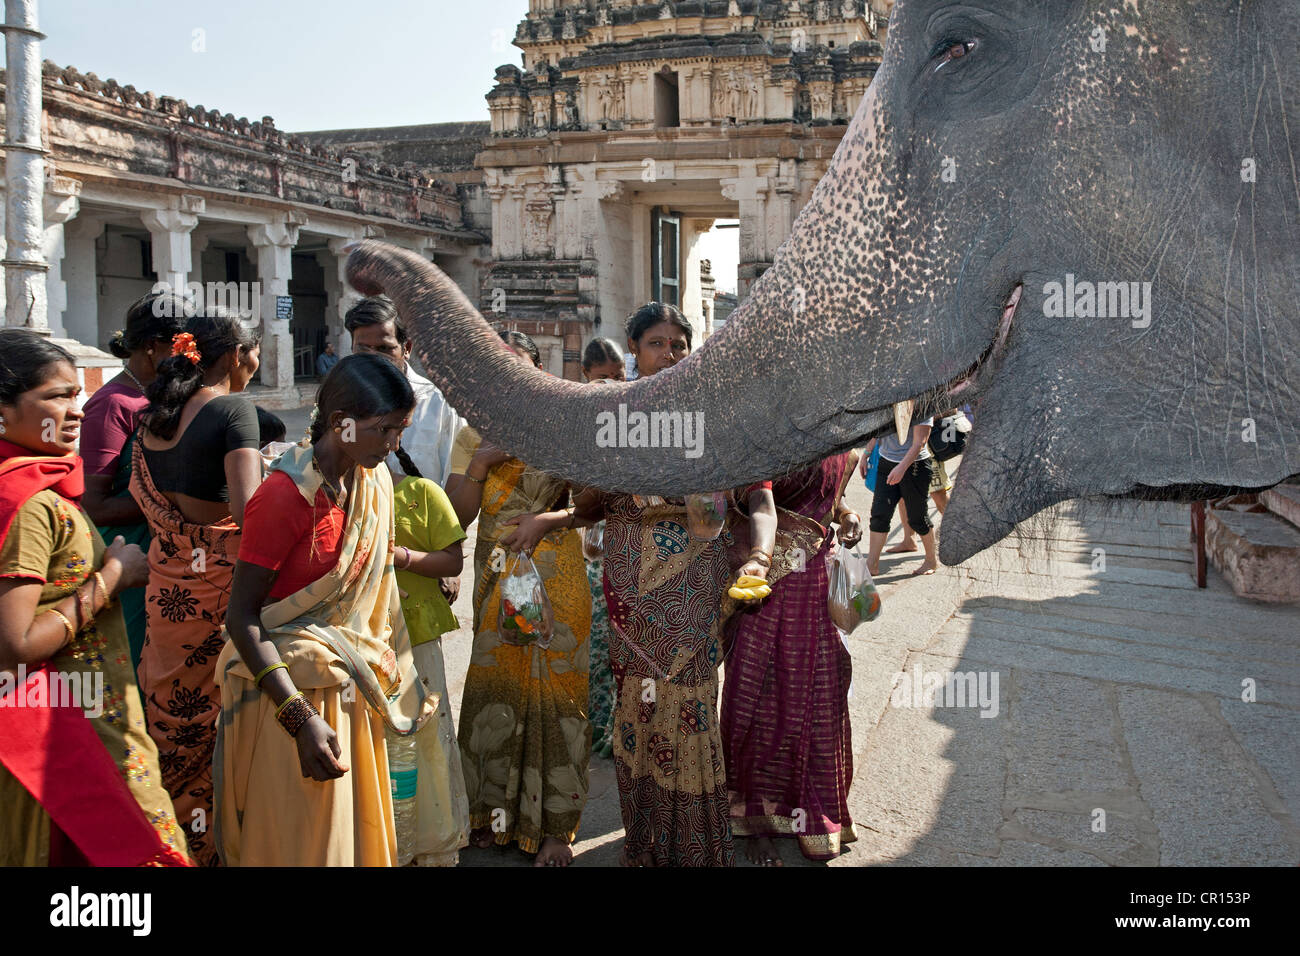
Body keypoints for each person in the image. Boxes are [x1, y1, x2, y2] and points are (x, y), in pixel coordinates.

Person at [215, 354, 432, 866]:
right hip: (287, 699)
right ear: (342, 424)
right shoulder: (284, 497)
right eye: (385, 430)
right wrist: (299, 717)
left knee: (345, 839)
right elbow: (241, 618)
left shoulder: (369, 482)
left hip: (347, 691)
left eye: (400, 429)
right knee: (300, 842)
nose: (394, 444)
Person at [595, 302, 776, 867]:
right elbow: (585, 503)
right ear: (634, 349)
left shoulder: (719, 420)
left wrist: (760, 557)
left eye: (679, 344)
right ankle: (645, 842)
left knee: (692, 705)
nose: (670, 354)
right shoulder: (610, 415)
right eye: (657, 343)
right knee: (638, 712)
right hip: (630, 587)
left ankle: (696, 849)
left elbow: (760, 497)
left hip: (698, 588)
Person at [0, 330, 189, 866]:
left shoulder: (35, 485)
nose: (77, 411)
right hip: (64, 726)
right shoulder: (28, 505)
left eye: (76, 395)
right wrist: (113, 576)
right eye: (57, 397)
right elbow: (14, 644)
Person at [446, 330, 595, 867]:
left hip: (555, 569)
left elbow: (593, 505)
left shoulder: (564, 426)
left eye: (518, 367)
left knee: (556, 692)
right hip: (498, 573)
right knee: (496, 686)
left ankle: (556, 826)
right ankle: (491, 813)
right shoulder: (471, 434)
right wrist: (482, 464)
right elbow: (457, 517)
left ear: (535, 373)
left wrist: (544, 519)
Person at [130, 312, 262, 866]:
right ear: (234, 355)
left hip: (167, 587)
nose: (254, 365)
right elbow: (249, 513)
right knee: (223, 717)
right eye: (252, 354)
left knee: (170, 712)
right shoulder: (234, 411)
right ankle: (221, 848)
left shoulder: (152, 419)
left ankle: (168, 834)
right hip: (222, 590)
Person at [721, 453, 863, 865]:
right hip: (765, 586)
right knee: (759, 695)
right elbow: (759, 503)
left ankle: (810, 809)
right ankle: (755, 819)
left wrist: (848, 513)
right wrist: (762, 559)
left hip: (817, 579)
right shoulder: (770, 432)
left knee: (820, 692)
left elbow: (831, 497)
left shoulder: (843, 436)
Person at [79, 292, 187, 672]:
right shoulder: (112, 405)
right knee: (130, 661)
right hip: (126, 553)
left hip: (161, 551)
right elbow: (93, 503)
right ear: (150, 347)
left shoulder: (159, 396)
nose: (188, 360)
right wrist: (170, 501)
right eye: (180, 349)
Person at [386, 441, 471, 866]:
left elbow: (453, 561)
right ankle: (389, 841)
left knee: (425, 740)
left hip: (416, 637)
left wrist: (399, 556)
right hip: (363, 645)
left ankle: (429, 843)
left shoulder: (421, 493)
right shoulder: (334, 497)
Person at [346, 296, 462, 487]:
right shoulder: (341, 400)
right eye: (364, 349)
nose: (373, 359)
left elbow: (455, 486)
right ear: (352, 347)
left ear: (406, 348)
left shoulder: (439, 405)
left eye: (384, 349)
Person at [579, 337, 624, 757]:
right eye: (603, 378)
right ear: (585, 377)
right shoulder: (578, 426)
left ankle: (623, 735)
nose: (612, 385)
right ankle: (598, 732)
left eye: (618, 376)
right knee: (597, 646)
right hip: (592, 550)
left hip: (631, 547)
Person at [863, 414, 938, 576]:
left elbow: (920, 442)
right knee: (879, 514)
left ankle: (931, 560)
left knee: (917, 518)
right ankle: (871, 564)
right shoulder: (887, 400)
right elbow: (878, 430)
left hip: (915, 467)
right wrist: (866, 453)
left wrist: (901, 468)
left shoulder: (922, 404)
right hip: (886, 462)